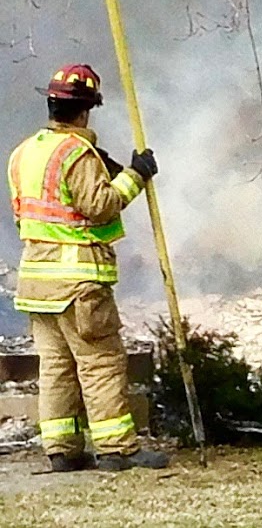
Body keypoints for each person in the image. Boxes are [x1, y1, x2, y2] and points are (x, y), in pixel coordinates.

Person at [8, 64, 167, 471]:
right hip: (79, 284)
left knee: (56, 367)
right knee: (100, 363)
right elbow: (99, 207)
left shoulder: (23, 152)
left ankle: (61, 448)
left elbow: (27, 214)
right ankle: (117, 449)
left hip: (37, 284)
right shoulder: (76, 153)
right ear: (85, 111)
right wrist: (135, 176)